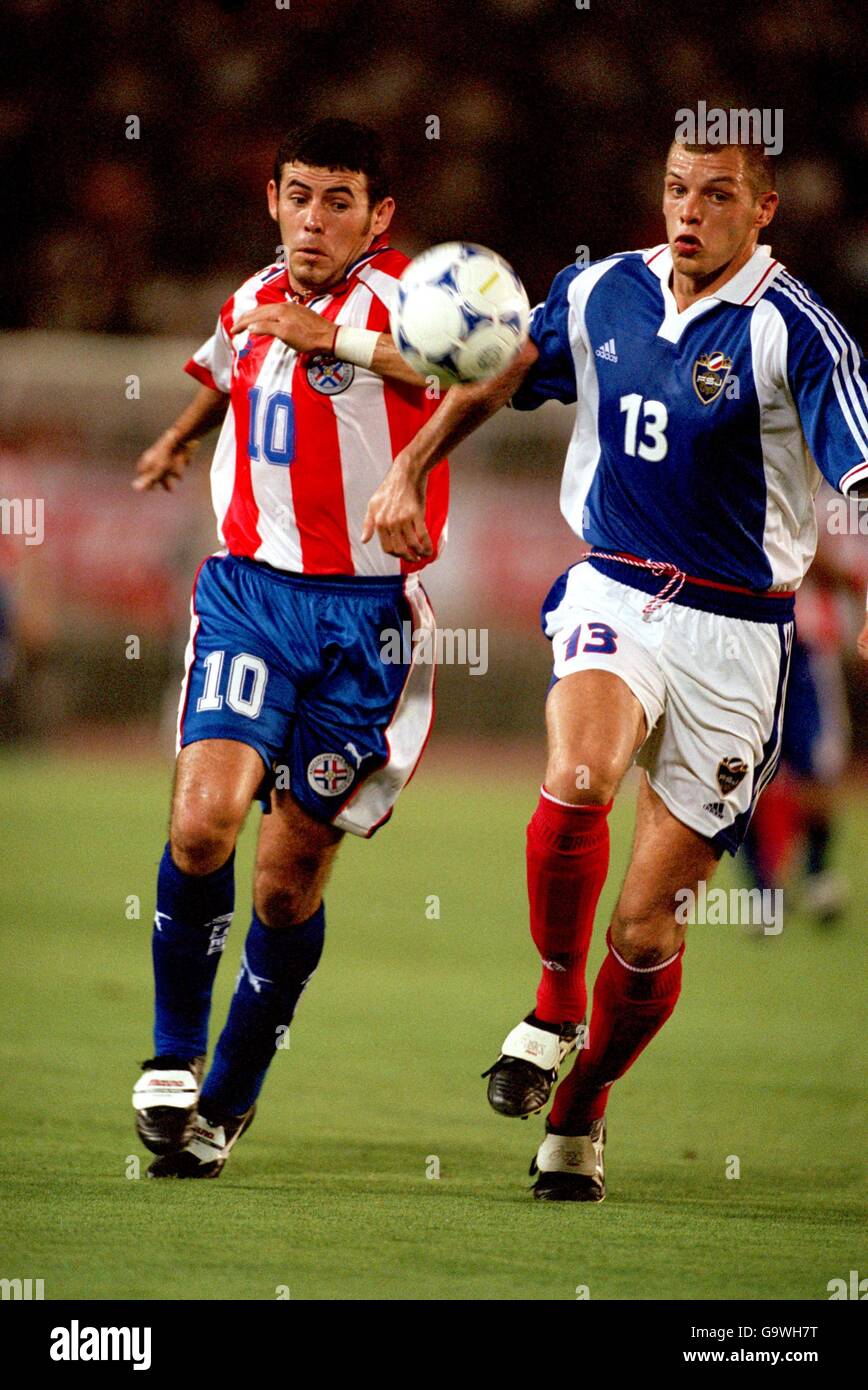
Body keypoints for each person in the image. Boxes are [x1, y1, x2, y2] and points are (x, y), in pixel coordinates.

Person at [363, 137, 868, 1201]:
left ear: (763, 207)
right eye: (678, 188)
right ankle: (552, 1007)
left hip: (740, 636)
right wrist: (408, 465)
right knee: (579, 776)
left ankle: (583, 1102)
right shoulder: (597, 291)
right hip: (616, 589)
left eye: (718, 194)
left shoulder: (797, 333)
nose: (690, 211)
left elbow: (857, 473)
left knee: (645, 930)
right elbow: (498, 372)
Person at [130, 118, 448, 1178]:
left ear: (380, 215)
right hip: (248, 599)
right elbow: (230, 367)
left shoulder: (408, 300)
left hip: (365, 623)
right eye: (300, 195)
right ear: (273, 198)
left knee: (284, 885)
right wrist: (180, 434)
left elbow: (479, 377)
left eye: (340, 200)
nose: (316, 218)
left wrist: (342, 346)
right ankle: (172, 1058)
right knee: (202, 819)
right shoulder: (250, 297)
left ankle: (229, 1095)